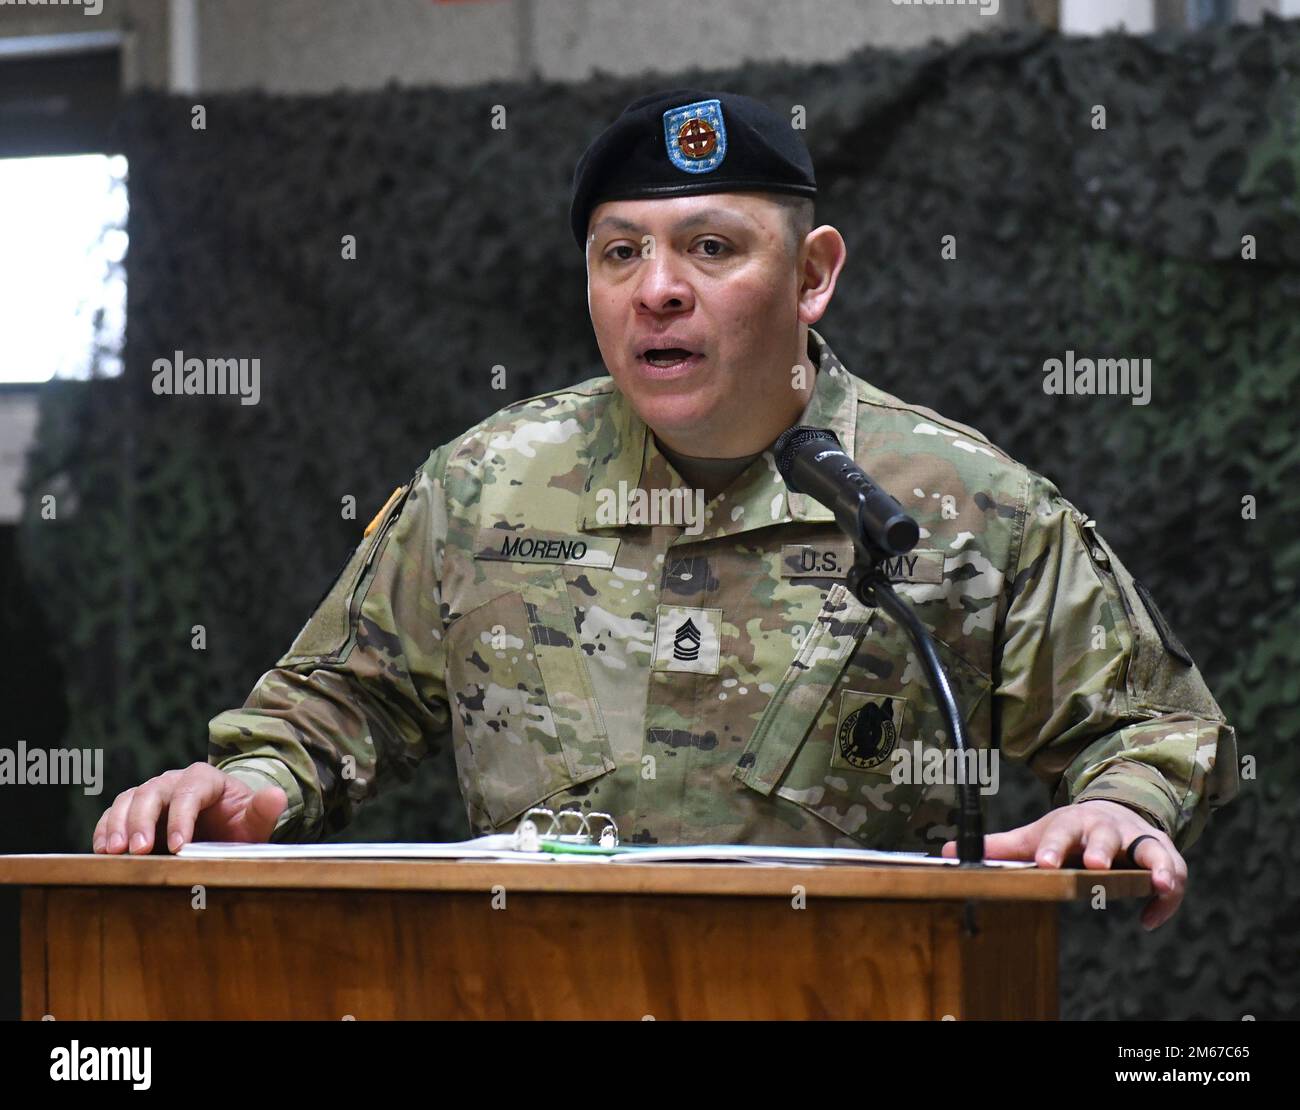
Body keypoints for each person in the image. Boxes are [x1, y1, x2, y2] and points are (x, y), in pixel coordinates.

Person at [92, 88, 1238, 931]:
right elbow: (338, 699)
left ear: (812, 274)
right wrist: (248, 783)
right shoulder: (485, 486)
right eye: (619, 252)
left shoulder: (954, 504)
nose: (657, 288)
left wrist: (1119, 808)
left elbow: (1153, 727)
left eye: (710, 247)